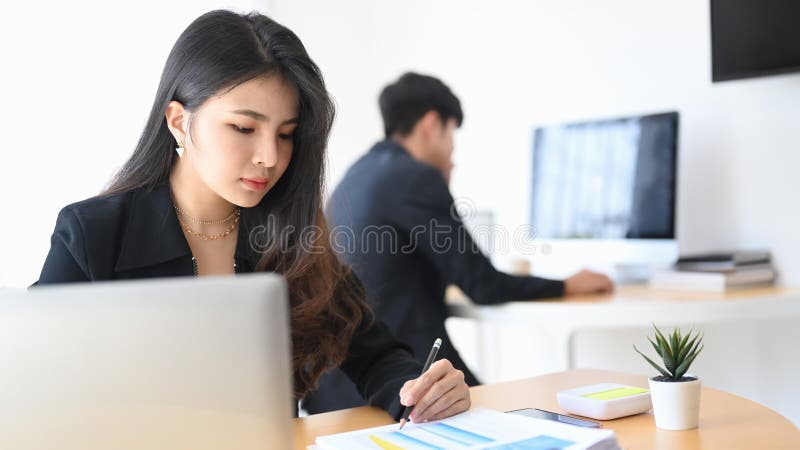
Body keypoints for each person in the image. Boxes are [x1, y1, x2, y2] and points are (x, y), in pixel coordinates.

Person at [35, 11, 470, 424]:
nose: (269, 157)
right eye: (244, 128)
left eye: (286, 134)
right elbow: (33, 384)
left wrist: (421, 390)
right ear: (178, 122)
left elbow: (378, 357)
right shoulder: (93, 234)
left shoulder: (288, 233)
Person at [302, 72, 613, 413]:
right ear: (433, 124)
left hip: (335, 389)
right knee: (537, 407)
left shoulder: (355, 175)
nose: (452, 150)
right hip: (401, 381)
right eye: (453, 135)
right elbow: (483, 285)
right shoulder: (414, 176)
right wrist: (567, 284)